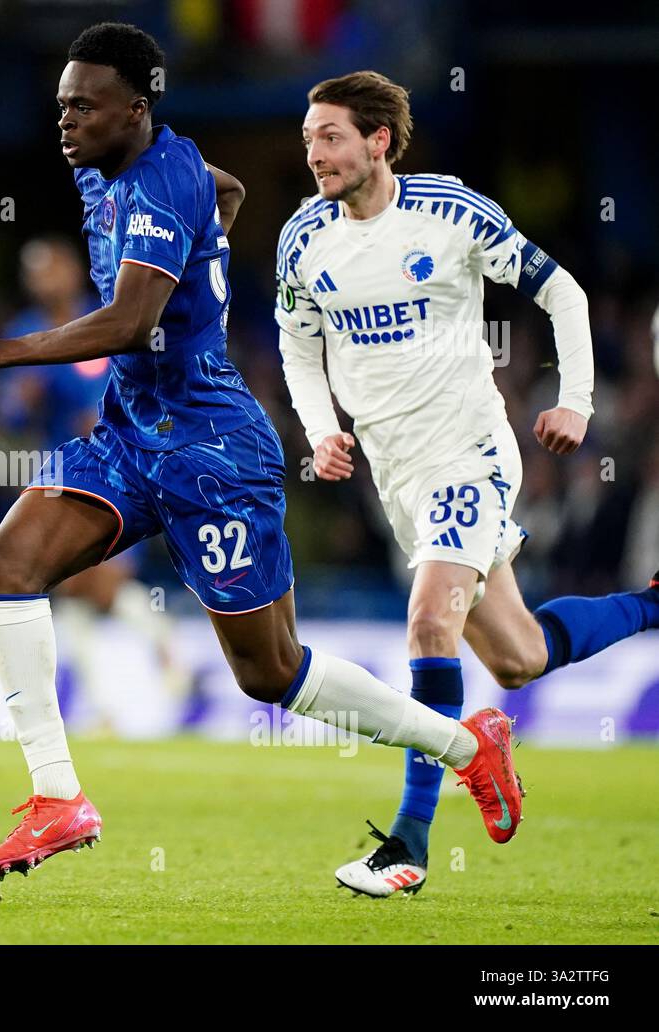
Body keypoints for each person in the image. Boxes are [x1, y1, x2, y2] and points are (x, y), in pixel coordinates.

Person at [0, 23, 523, 882]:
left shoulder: (159, 185)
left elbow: (130, 320)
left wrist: (3, 351)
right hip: (132, 434)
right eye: (60, 105)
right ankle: (59, 799)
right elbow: (228, 190)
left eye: (85, 107)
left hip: (212, 450)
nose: (66, 121)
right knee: (7, 561)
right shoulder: (132, 168)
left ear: (136, 108)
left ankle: (465, 744)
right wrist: (215, 241)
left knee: (271, 673)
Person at [275, 70, 659, 896]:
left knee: (427, 623)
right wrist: (320, 428)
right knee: (517, 658)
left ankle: (408, 846)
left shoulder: (450, 211)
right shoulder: (304, 238)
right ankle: (656, 602)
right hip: (397, 474)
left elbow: (561, 290)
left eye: (331, 136)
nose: (315, 154)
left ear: (378, 140)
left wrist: (576, 401)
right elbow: (298, 345)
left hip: (470, 452)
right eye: (309, 139)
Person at [0, 236, 190, 733]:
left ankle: (159, 655)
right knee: (69, 587)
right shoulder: (25, 331)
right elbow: (11, 413)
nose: (45, 280)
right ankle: (121, 691)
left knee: (91, 581)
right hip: (63, 472)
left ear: (71, 270)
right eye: (35, 272)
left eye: (52, 268)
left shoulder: (105, 317)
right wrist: (23, 396)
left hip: (118, 467)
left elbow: (141, 379)